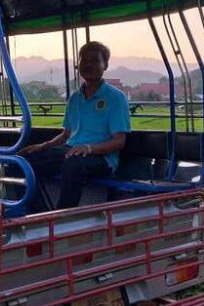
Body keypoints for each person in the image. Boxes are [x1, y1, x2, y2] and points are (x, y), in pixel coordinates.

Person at [21, 41, 130, 210]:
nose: (88, 65)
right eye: (84, 60)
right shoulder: (74, 98)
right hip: (71, 150)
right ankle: (37, 214)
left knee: (73, 165)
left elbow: (119, 141)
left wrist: (89, 148)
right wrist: (43, 146)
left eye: (94, 60)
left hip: (101, 158)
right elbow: (66, 135)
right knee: (24, 161)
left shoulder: (115, 98)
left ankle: (63, 217)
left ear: (105, 65)